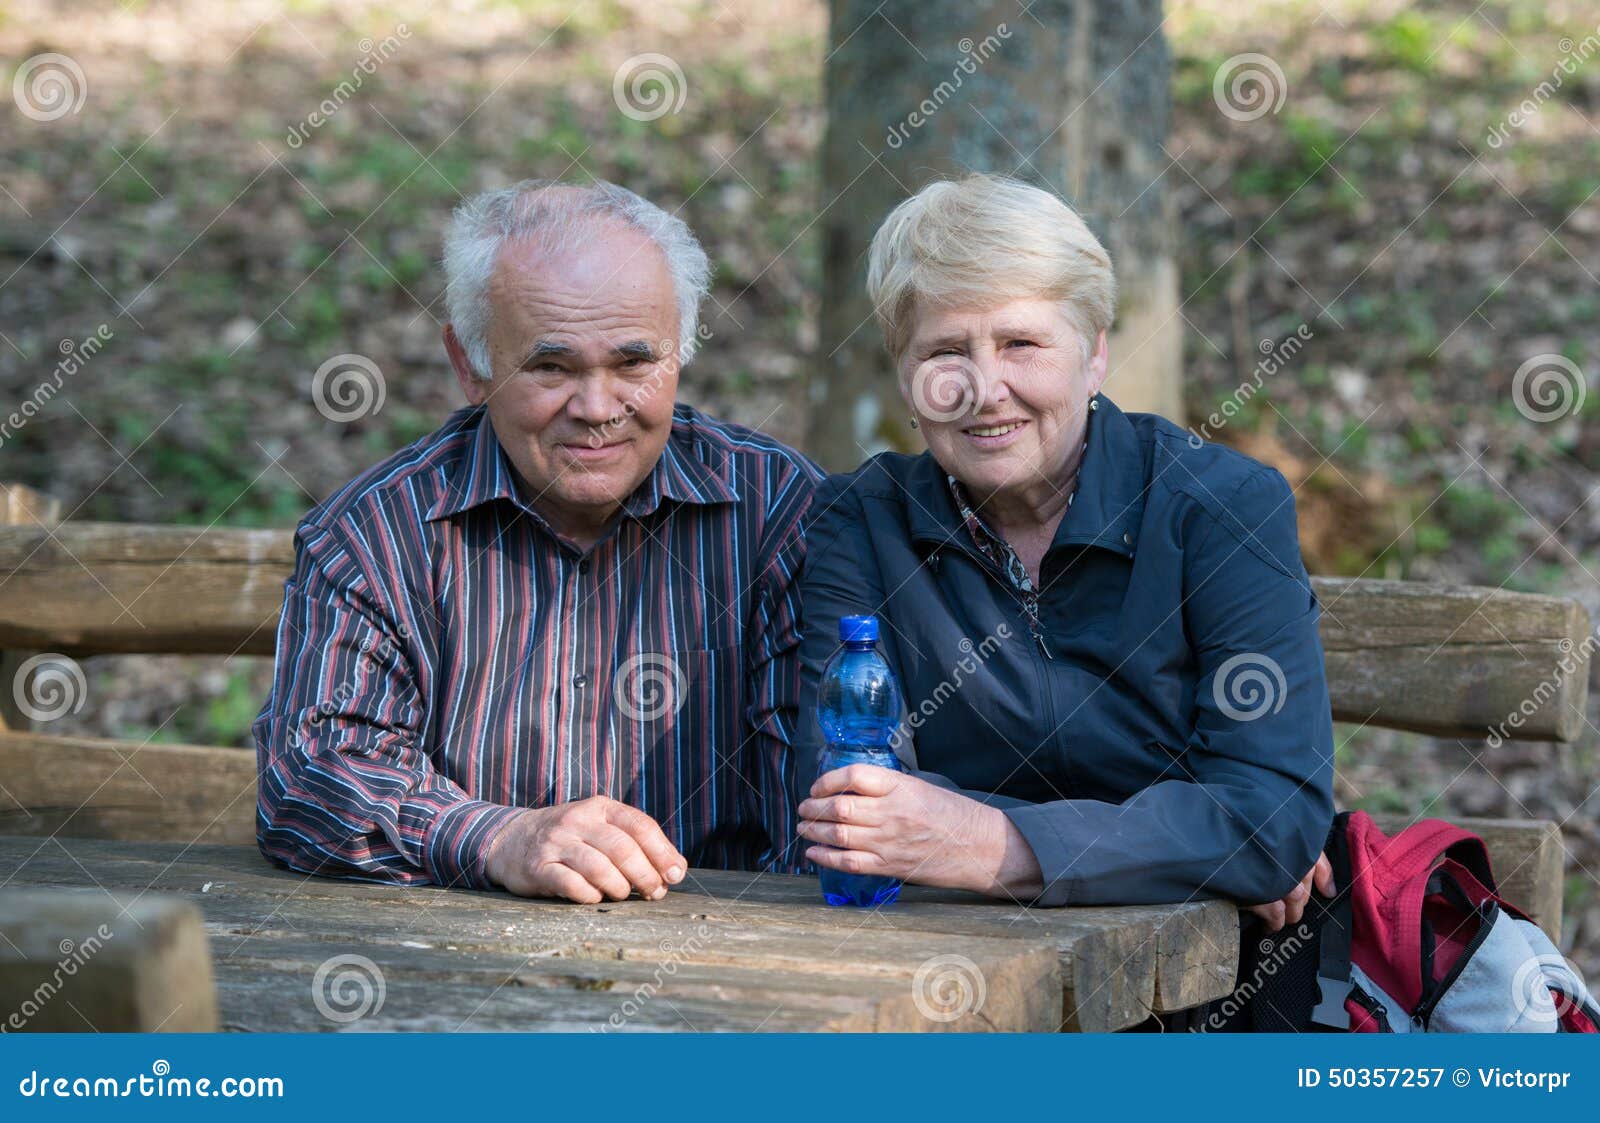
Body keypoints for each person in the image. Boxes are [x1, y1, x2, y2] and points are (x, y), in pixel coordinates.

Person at [254, 179, 821, 904]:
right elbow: (312, 774)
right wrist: (496, 838)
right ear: (471, 366)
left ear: (679, 352)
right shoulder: (377, 534)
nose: (595, 408)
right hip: (457, 964)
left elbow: (819, 802)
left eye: (633, 363)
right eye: (550, 367)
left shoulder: (777, 512)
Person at [794, 173, 1334, 927]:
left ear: (1095, 354)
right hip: (946, 970)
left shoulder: (1220, 507)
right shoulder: (861, 523)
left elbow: (1270, 816)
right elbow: (845, 802)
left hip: (1206, 981)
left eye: (1022, 343)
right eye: (946, 351)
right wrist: (1179, 844)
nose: (985, 389)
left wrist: (989, 842)